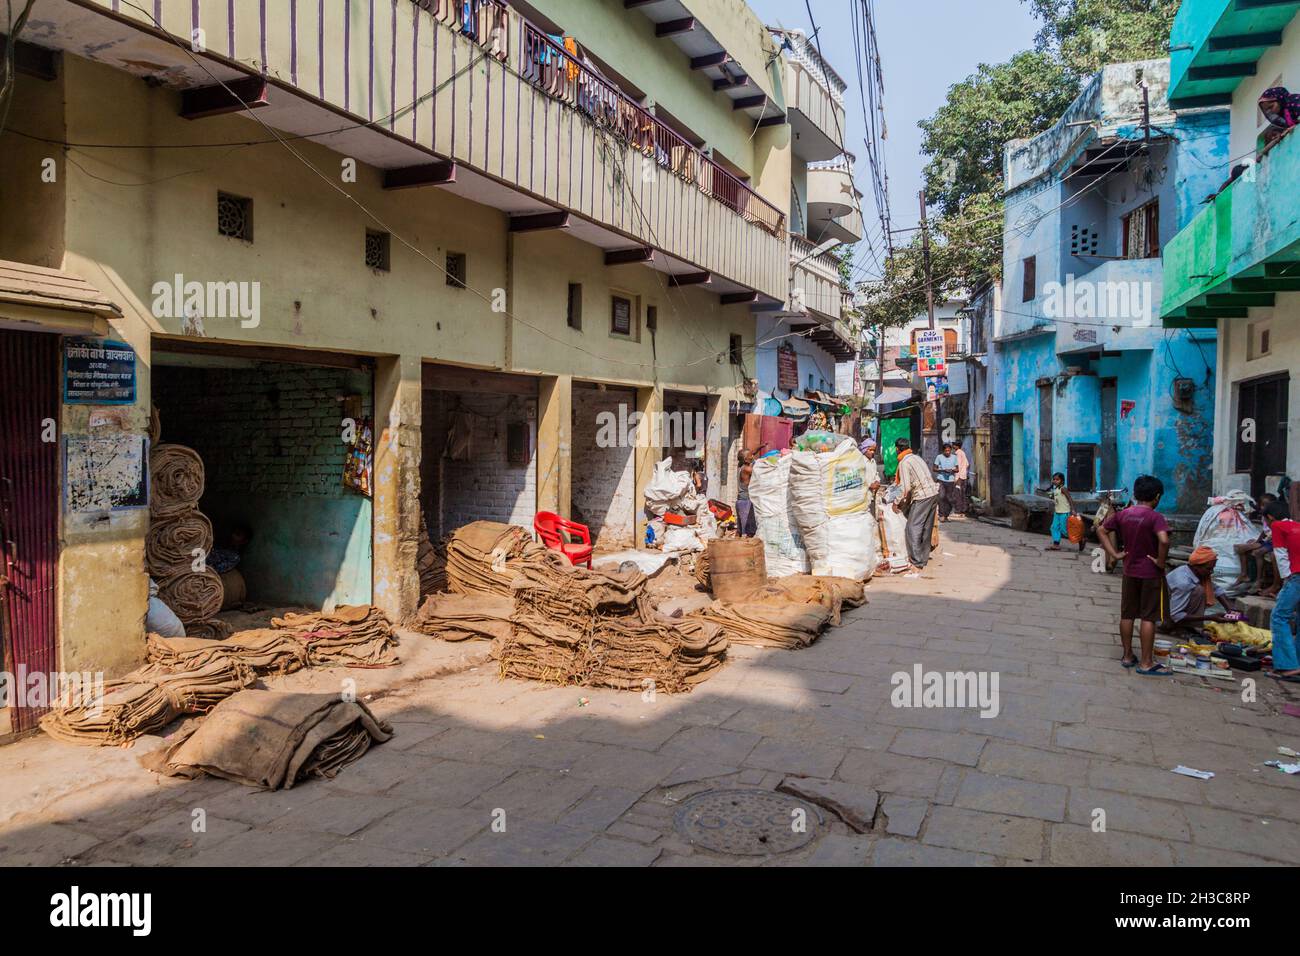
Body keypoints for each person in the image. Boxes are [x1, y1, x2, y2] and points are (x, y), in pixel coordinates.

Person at [1097, 475, 1171, 675]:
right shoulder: (1156, 517)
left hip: (1130, 570)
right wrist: (1161, 562)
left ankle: (1127, 655)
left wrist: (1114, 554)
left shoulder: (1124, 514)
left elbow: (1101, 530)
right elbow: (1163, 541)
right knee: (1148, 617)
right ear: (1156, 497)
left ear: (1137, 494)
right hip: (1150, 573)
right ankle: (1147, 662)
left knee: (1127, 614)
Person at [1163, 547, 1239, 637]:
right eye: (1209, 569)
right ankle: (1174, 628)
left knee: (1199, 590)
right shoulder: (1183, 582)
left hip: (1172, 612)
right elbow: (1176, 615)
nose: (1211, 572)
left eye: (1212, 568)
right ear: (1196, 567)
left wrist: (1230, 609)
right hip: (1163, 617)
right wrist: (1210, 617)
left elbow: (1217, 590)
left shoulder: (1193, 571)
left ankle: (1187, 627)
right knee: (1199, 591)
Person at [894, 437, 940, 570]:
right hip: (933, 493)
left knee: (912, 528)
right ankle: (923, 558)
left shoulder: (904, 463)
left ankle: (916, 560)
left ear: (897, 449)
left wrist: (896, 502)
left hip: (922, 496)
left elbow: (905, 487)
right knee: (926, 527)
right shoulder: (917, 458)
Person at [1268, 511, 1300, 682]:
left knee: (1279, 617)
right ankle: (1296, 662)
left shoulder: (1277, 526)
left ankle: (1288, 665)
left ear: (1270, 517)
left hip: (1296, 576)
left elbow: (1280, 554)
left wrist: (1285, 580)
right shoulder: (1297, 527)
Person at [735, 445, 765, 538]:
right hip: (746, 501)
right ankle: (742, 550)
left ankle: (736, 549)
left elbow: (751, 454)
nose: (752, 457)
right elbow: (760, 472)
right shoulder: (747, 469)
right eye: (750, 456)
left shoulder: (741, 466)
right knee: (748, 532)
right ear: (745, 459)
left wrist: (759, 447)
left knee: (741, 530)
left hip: (741, 501)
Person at [1042, 472, 1075, 551]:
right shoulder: (1056, 489)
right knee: (1054, 527)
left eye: (1057, 479)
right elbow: (1055, 497)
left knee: (1064, 530)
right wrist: (1049, 493)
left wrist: (1073, 509)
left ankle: (1080, 539)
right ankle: (1056, 544)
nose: (1055, 481)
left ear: (1062, 481)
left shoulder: (1063, 488)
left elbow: (1070, 499)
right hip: (1057, 512)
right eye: (1054, 479)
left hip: (1064, 512)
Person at [934, 442, 960, 523]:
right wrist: (942, 470)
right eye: (946, 451)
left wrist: (952, 470)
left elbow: (957, 469)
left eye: (949, 451)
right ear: (943, 451)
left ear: (951, 450)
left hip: (951, 480)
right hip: (941, 479)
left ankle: (946, 515)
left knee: (949, 499)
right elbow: (934, 468)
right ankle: (941, 515)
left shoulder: (954, 457)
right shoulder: (939, 457)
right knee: (941, 497)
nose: (947, 452)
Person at [953, 443, 970, 516]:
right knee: (963, 493)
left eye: (954, 445)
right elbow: (967, 464)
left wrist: (957, 477)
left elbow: (958, 466)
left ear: (957, 446)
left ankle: (958, 509)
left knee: (958, 494)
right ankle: (964, 509)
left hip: (959, 476)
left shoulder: (957, 454)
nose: (953, 446)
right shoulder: (963, 453)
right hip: (964, 476)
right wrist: (965, 472)